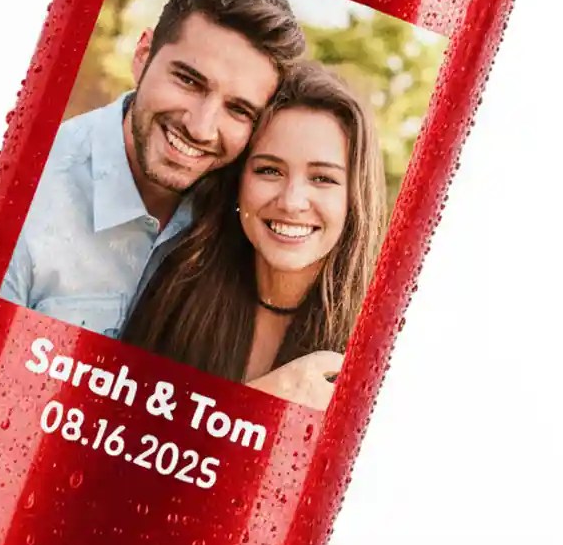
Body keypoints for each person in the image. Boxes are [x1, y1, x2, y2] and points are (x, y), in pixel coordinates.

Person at [0, 0, 306, 337]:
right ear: (143, 55)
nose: (201, 128)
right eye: (189, 81)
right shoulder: (22, 200)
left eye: (238, 110)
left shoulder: (249, 217)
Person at [122, 61, 387, 409]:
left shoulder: (382, 342)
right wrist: (261, 402)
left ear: (356, 197)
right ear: (239, 184)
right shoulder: (174, 285)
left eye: (322, 178)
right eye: (269, 170)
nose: (292, 202)